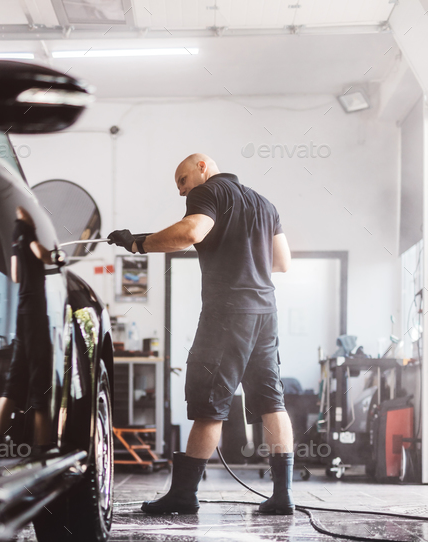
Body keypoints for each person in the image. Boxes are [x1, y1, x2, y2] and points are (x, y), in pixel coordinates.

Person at [107, 152, 294, 515]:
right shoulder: (265, 203)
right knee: (272, 400)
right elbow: (281, 262)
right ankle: (283, 496)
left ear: (203, 167)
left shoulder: (208, 192)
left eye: (182, 180)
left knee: (210, 404)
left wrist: (137, 243)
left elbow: (191, 232)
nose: (181, 191)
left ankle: (183, 495)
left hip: (227, 314)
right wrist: (244, 255)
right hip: (265, 313)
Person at [0, 206, 53, 453]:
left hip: (21, 312)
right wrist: (56, 257)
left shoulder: (15, 235)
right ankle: (43, 450)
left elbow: (15, 275)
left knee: (14, 382)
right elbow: (42, 253)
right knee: (41, 387)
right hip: (35, 314)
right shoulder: (28, 232)